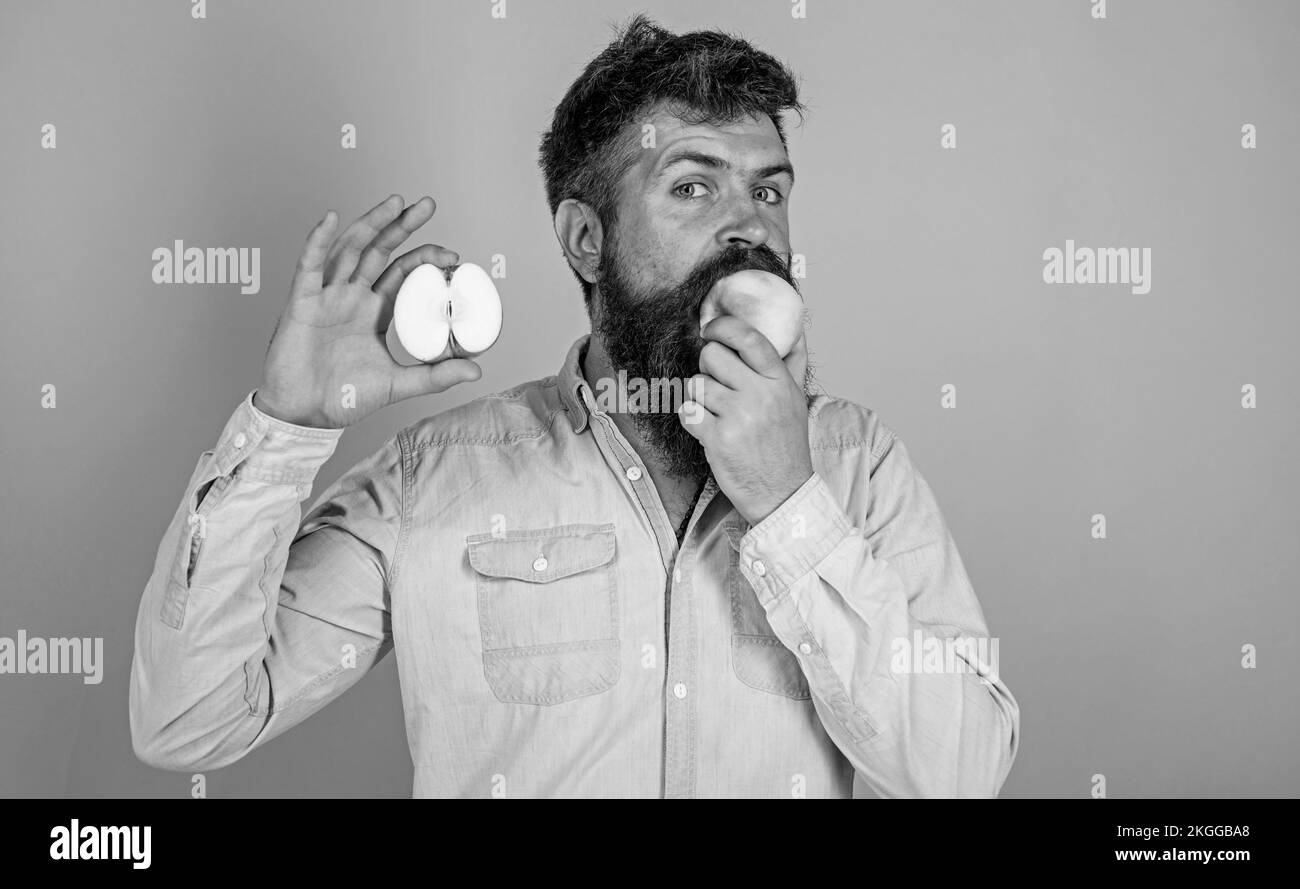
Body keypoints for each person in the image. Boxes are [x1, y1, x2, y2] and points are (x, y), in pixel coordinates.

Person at [130, 14, 1019, 798]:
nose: (750, 228)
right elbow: (190, 720)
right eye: (693, 186)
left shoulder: (859, 466)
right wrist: (285, 426)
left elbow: (964, 772)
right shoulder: (433, 478)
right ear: (585, 239)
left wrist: (791, 507)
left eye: (769, 190)